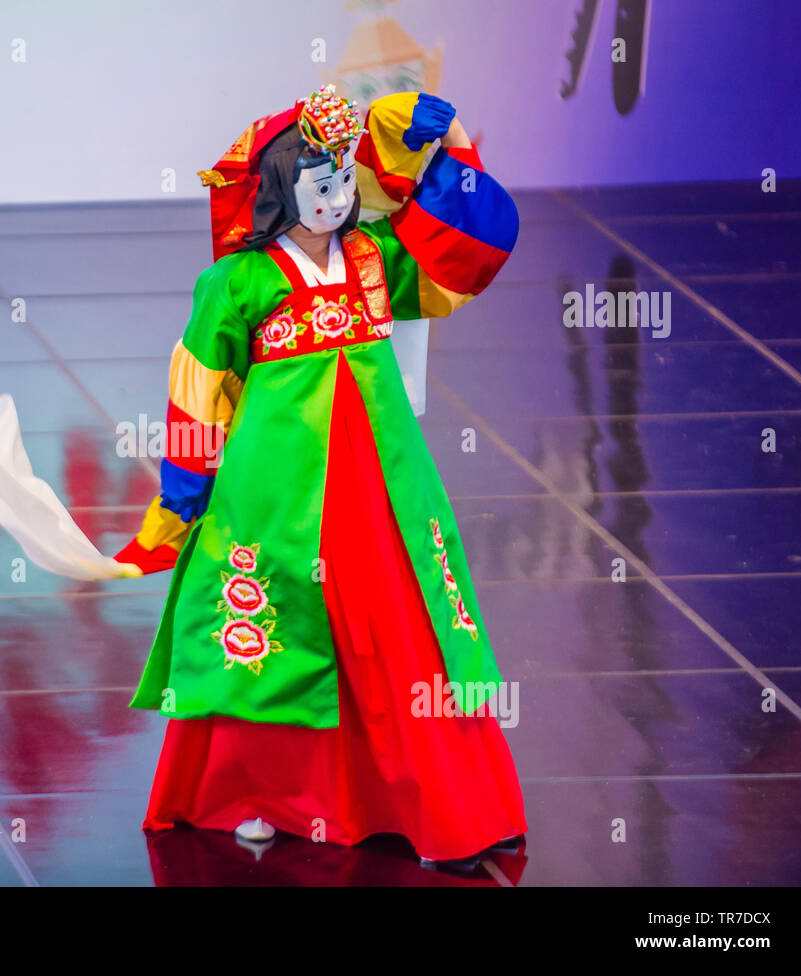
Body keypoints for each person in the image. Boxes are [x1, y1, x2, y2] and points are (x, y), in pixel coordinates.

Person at [113, 86, 527, 865]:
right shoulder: (237, 284)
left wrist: (452, 139)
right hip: (273, 494)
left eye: (344, 178)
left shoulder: (374, 258)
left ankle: (434, 804)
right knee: (264, 632)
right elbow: (199, 392)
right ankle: (254, 792)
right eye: (321, 184)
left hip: (380, 485)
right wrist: (182, 499)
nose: (339, 197)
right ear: (277, 193)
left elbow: (454, 249)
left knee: (403, 632)